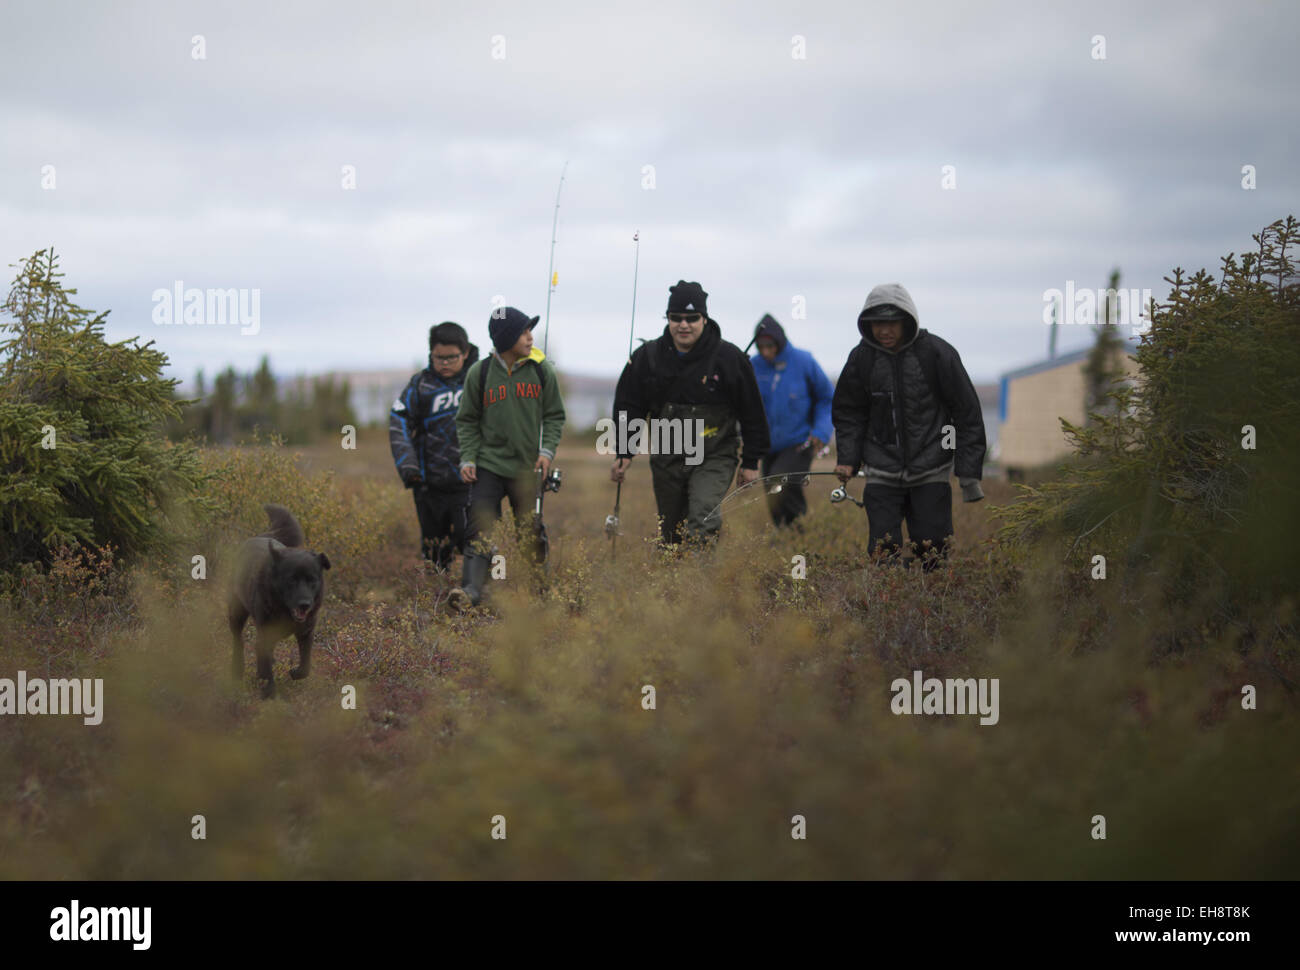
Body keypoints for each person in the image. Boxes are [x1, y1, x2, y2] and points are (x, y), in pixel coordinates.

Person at [830, 283, 986, 567]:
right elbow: (849, 413)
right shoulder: (861, 358)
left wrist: (969, 474)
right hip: (880, 469)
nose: (884, 330)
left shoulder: (937, 353)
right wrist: (848, 459)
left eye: (891, 323)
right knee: (882, 548)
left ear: (906, 321)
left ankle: (931, 602)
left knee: (933, 549)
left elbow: (967, 414)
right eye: (877, 323)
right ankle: (885, 605)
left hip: (931, 468)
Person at [610, 280, 769, 545]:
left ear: (704, 319)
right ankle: (673, 583)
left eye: (692, 318)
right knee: (671, 533)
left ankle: (701, 584)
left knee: (702, 520)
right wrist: (624, 452)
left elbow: (751, 411)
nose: (683, 325)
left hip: (715, 455)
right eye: (676, 317)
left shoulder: (729, 359)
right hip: (667, 457)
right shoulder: (647, 357)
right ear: (668, 319)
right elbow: (629, 405)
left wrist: (751, 461)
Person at [451, 306, 566, 609]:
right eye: (523, 332)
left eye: (530, 331)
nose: (530, 337)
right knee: (479, 528)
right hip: (487, 466)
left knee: (531, 530)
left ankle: (541, 594)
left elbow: (555, 416)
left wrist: (546, 452)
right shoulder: (481, 373)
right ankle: (471, 593)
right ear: (506, 339)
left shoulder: (542, 370)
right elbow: (467, 420)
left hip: (527, 468)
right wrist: (468, 458)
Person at [388, 321, 478, 569]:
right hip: (428, 485)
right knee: (434, 552)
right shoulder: (420, 385)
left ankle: (476, 598)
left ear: (466, 352)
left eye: (452, 357)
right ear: (431, 354)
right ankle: (436, 601)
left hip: (470, 482)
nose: (445, 363)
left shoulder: (479, 380)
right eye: (439, 358)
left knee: (473, 543)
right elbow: (398, 423)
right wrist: (409, 467)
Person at [748, 313, 835, 528]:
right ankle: (784, 536)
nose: (766, 351)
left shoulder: (804, 361)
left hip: (800, 441)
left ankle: (799, 534)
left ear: (780, 342)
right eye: (761, 347)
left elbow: (827, 399)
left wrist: (821, 432)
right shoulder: (753, 366)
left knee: (781, 481)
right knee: (771, 489)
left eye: (770, 346)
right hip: (768, 445)